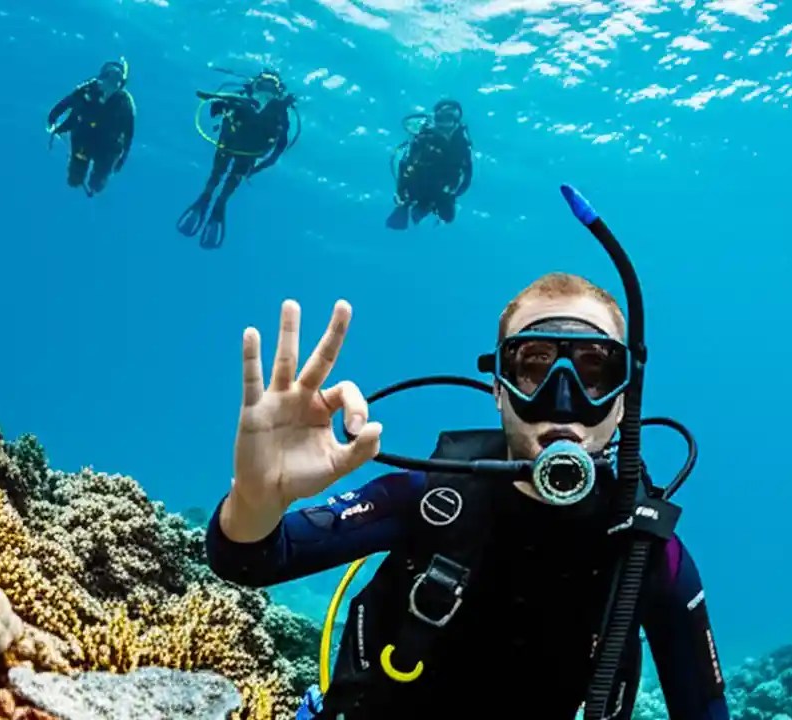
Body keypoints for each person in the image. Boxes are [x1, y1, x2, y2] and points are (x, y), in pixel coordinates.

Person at [204, 206, 731, 717]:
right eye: (534, 367)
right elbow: (251, 561)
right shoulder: (433, 499)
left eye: (594, 371)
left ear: (622, 402)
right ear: (498, 391)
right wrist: (255, 500)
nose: (563, 400)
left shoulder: (647, 554)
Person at [177, 69, 296, 249]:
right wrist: (219, 104)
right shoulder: (239, 100)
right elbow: (215, 108)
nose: (265, 92)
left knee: (230, 177)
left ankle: (219, 202)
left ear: (278, 92)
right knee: (217, 175)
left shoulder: (280, 111)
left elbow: (279, 147)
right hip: (229, 146)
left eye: (270, 89)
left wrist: (258, 168)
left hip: (246, 154)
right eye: (262, 86)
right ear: (254, 86)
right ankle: (208, 196)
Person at [46, 59, 136, 198]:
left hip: (107, 147)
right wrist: (53, 118)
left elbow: (128, 133)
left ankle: (95, 186)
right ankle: (83, 182)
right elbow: (66, 103)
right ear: (102, 76)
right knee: (75, 178)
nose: (111, 82)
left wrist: (122, 158)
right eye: (109, 76)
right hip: (84, 139)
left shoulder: (125, 102)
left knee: (98, 180)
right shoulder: (88, 89)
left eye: (117, 78)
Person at [386, 99, 474, 230]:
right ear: (435, 118)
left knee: (448, 217)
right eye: (441, 118)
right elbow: (402, 161)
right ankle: (409, 207)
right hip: (417, 185)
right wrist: (400, 191)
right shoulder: (423, 138)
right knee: (410, 204)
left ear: (457, 121)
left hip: (442, 191)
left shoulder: (462, 145)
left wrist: (454, 195)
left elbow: (467, 175)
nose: (445, 124)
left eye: (450, 118)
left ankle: (424, 211)